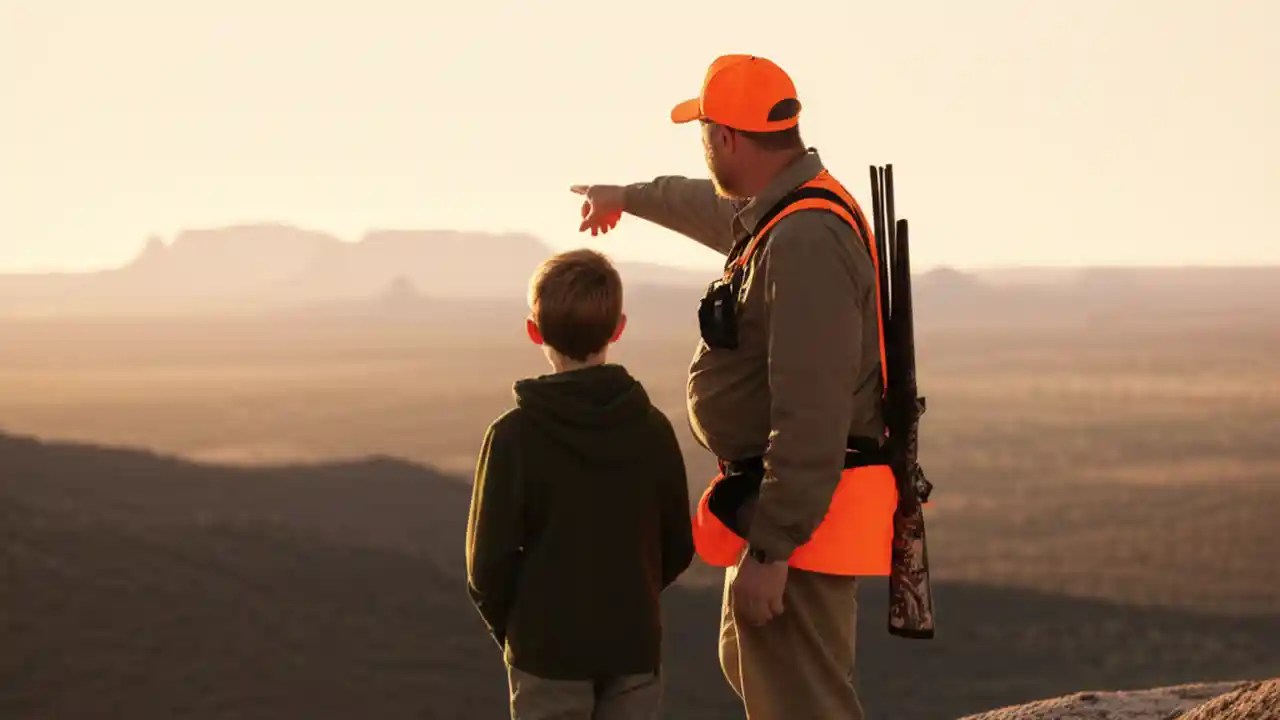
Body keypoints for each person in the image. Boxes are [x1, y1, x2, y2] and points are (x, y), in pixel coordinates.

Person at [570, 54, 898, 719]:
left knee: (802, 701)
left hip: (804, 515)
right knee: (746, 656)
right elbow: (707, 207)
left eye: (705, 135)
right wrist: (627, 197)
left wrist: (774, 549)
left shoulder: (806, 238)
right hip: (787, 503)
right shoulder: (785, 212)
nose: (704, 151)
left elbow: (813, 410)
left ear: (726, 139)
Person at [465, 248, 695, 720]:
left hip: (546, 653)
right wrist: (628, 595)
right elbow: (677, 546)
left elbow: (487, 566)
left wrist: (522, 631)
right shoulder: (651, 429)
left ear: (534, 331)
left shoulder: (513, 437)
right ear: (618, 328)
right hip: (633, 646)